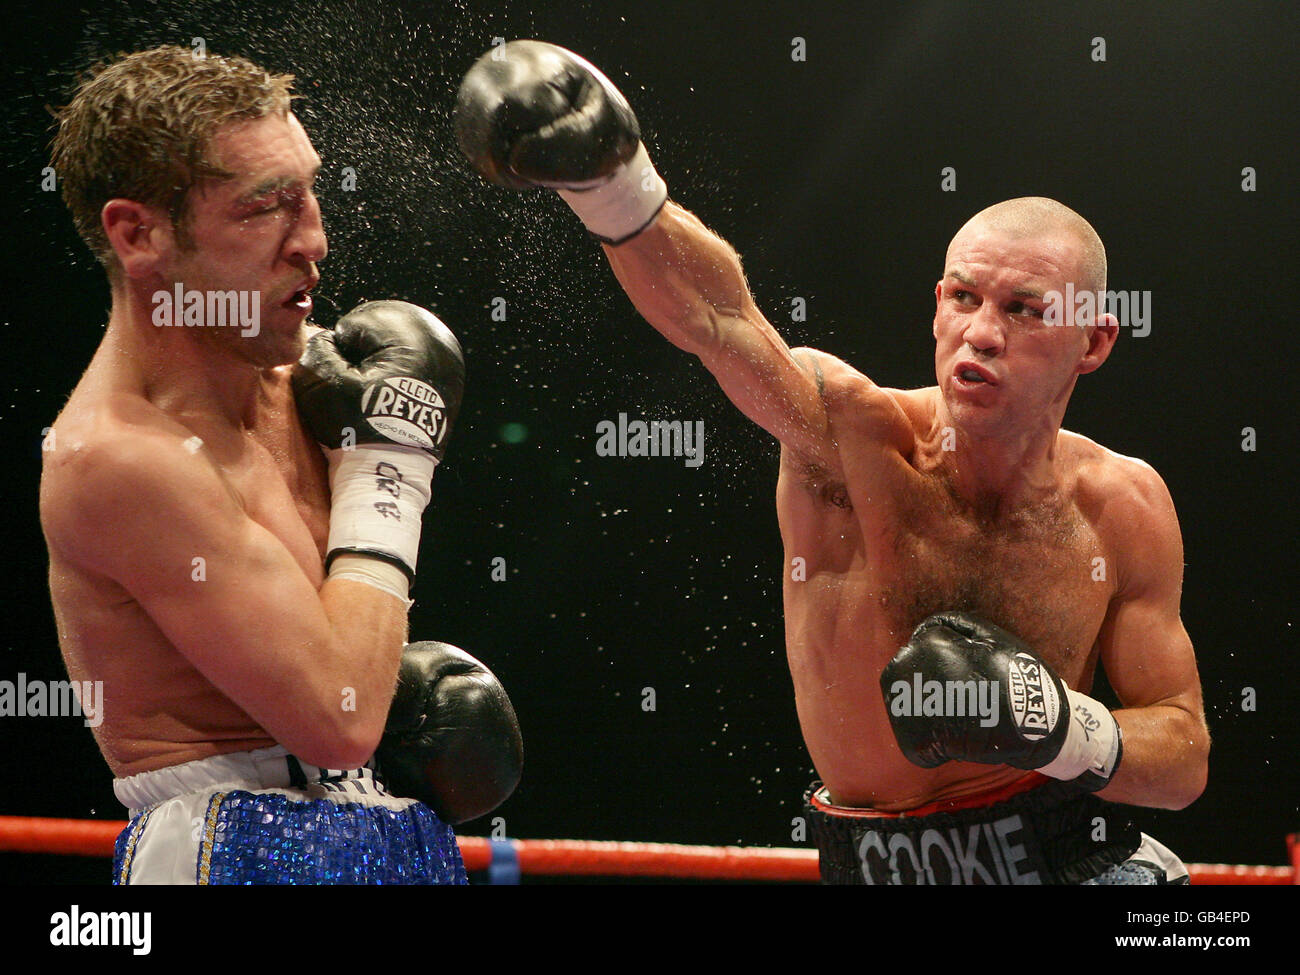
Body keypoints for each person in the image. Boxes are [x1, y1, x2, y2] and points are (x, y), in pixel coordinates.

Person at [454, 40, 1208, 885]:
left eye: (1026, 310)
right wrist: (613, 185)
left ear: (1094, 341)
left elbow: (1182, 757)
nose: (983, 332)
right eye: (964, 297)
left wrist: (1055, 724)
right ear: (938, 305)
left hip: (1073, 859)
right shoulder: (851, 436)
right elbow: (721, 321)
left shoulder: (1123, 504)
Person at [41, 45, 521, 885]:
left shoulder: (311, 383)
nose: (314, 241)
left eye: (311, 191)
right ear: (139, 232)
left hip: (381, 835)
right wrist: (390, 468)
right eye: (265, 208)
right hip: (230, 852)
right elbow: (337, 717)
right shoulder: (118, 459)